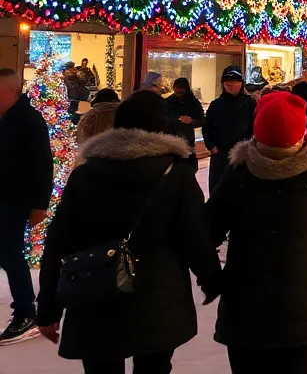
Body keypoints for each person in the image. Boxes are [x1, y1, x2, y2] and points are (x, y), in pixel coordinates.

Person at [35, 90, 222, 372]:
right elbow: (195, 236)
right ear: (162, 127)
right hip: (157, 296)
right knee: (154, 366)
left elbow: (59, 240)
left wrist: (48, 305)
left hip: (95, 293)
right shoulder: (176, 173)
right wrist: (210, 279)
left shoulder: (85, 174)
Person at [207, 91, 307, 374]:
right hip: (301, 304)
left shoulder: (240, 170)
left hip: (244, 303)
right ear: (301, 131)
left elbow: (209, 229)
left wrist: (213, 279)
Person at [0, 68, 52, 346]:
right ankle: (25, 308)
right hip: (4, 198)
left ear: (10, 91)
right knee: (6, 255)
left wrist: (38, 205)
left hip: (14, 201)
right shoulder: (5, 118)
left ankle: (26, 311)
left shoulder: (29, 120)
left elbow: (42, 165)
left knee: (10, 255)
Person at [202, 66, 256, 195]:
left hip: (243, 154)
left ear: (241, 83)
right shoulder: (216, 104)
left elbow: (254, 126)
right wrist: (211, 146)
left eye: (235, 81)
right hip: (220, 153)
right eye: (227, 81)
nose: (231, 85)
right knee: (218, 188)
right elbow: (207, 126)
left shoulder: (250, 104)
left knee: (240, 189)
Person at [164, 77, 205, 170]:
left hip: (187, 140)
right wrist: (178, 119)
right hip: (171, 140)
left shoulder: (193, 102)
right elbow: (163, 119)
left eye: (181, 88)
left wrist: (192, 121)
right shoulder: (168, 102)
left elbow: (202, 119)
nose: (179, 90)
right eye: (177, 87)